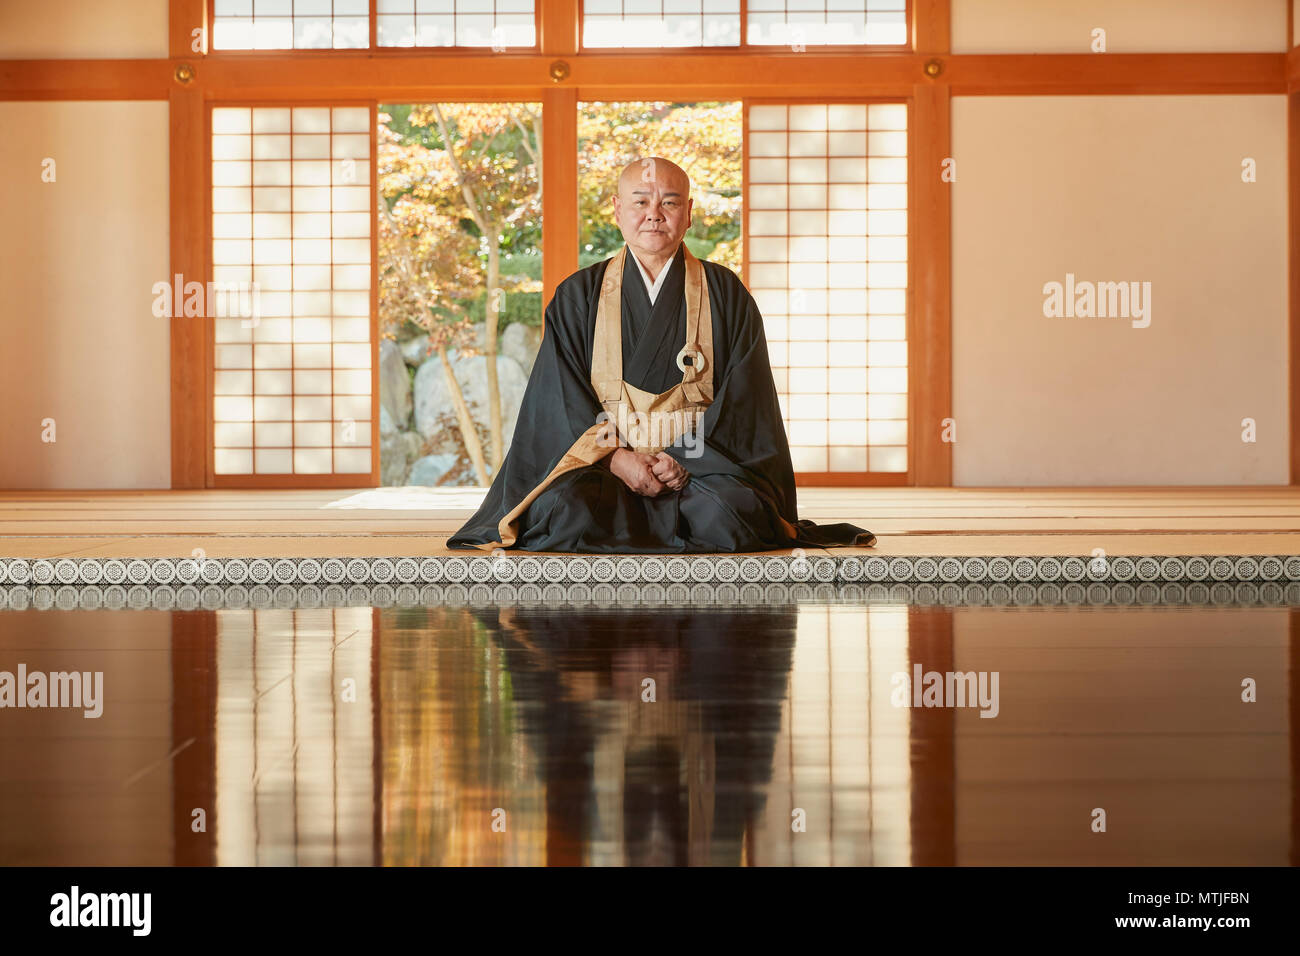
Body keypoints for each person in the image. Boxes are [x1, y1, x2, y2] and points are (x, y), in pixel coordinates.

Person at [448, 156, 875, 553]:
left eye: (669, 203)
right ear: (617, 209)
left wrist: (682, 460)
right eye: (641, 201)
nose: (654, 213)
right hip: (605, 469)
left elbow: (746, 406)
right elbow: (557, 400)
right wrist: (619, 460)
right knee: (563, 510)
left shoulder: (726, 295)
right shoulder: (579, 295)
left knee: (733, 512)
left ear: (688, 213)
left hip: (700, 470)